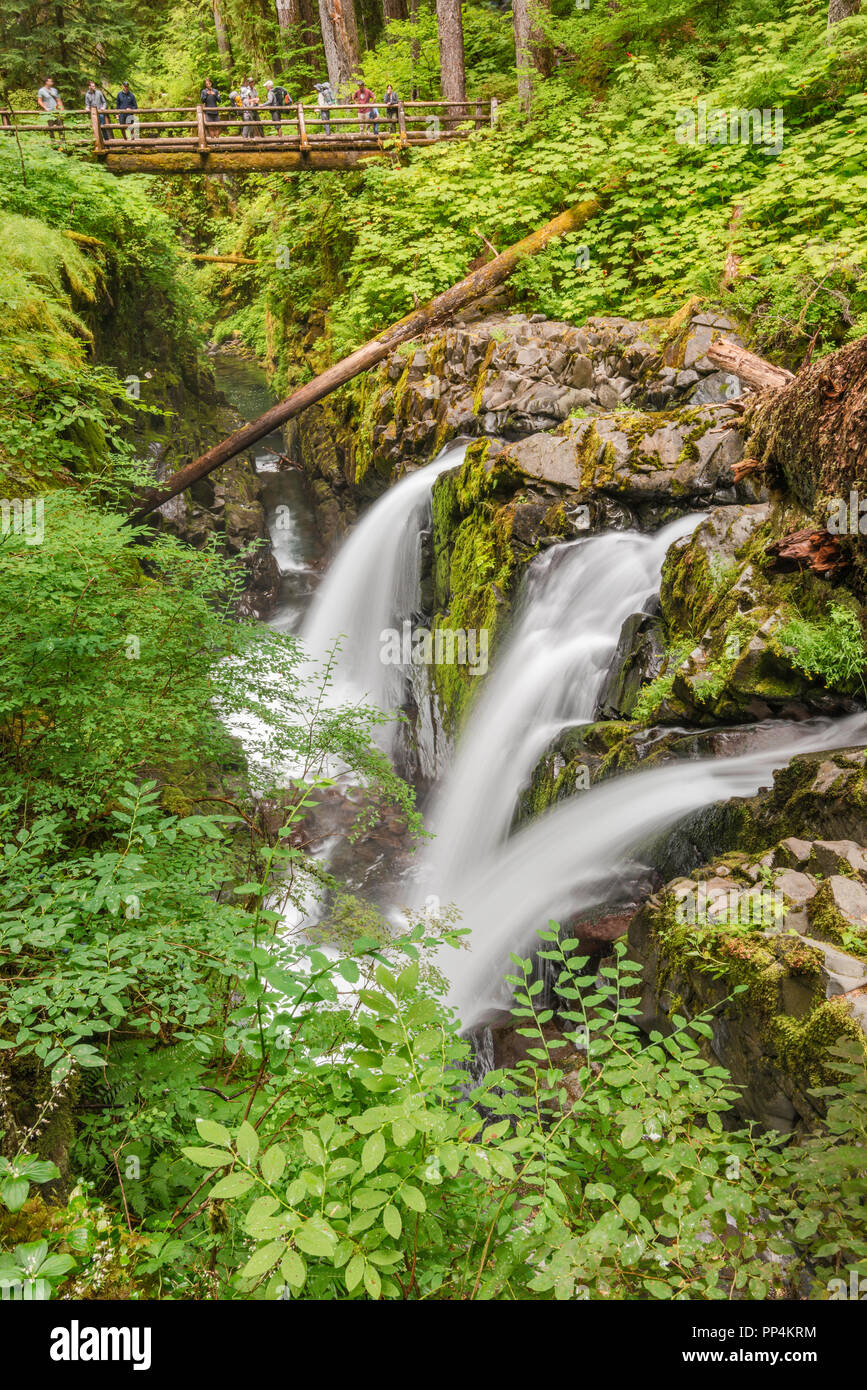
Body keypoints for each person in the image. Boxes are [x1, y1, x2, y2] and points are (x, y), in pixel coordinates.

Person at [36, 76, 64, 143]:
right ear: (46, 82)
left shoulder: (54, 90)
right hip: (49, 111)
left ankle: (63, 141)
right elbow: (39, 101)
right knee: (51, 127)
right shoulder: (41, 91)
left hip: (57, 110)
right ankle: (53, 142)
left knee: (60, 126)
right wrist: (45, 108)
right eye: (50, 81)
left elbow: (58, 100)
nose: (52, 82)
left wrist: (62, 108)